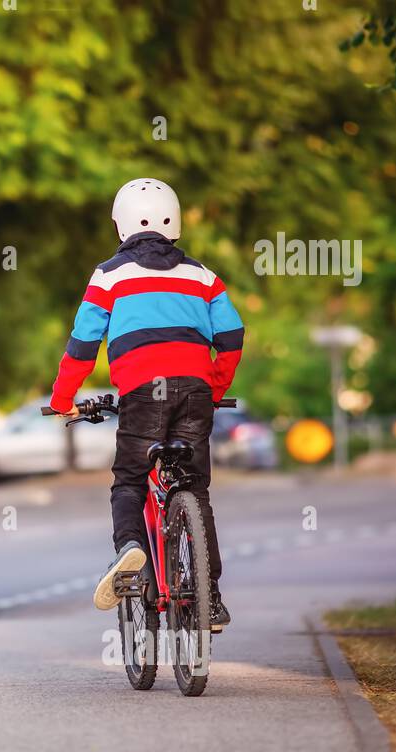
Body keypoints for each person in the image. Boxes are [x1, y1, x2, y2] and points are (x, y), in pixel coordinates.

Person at [48, 178, 243, 629]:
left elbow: (82, 344)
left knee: (130, 481)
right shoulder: (202, 276)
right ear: (174, 223)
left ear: (120, 225)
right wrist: (213, 387)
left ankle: (131, 546)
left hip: (141, 391)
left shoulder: (109, 275)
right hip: (195, 391)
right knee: (194, 488)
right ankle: (210, 598)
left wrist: (63, 401)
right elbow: (232, 337)